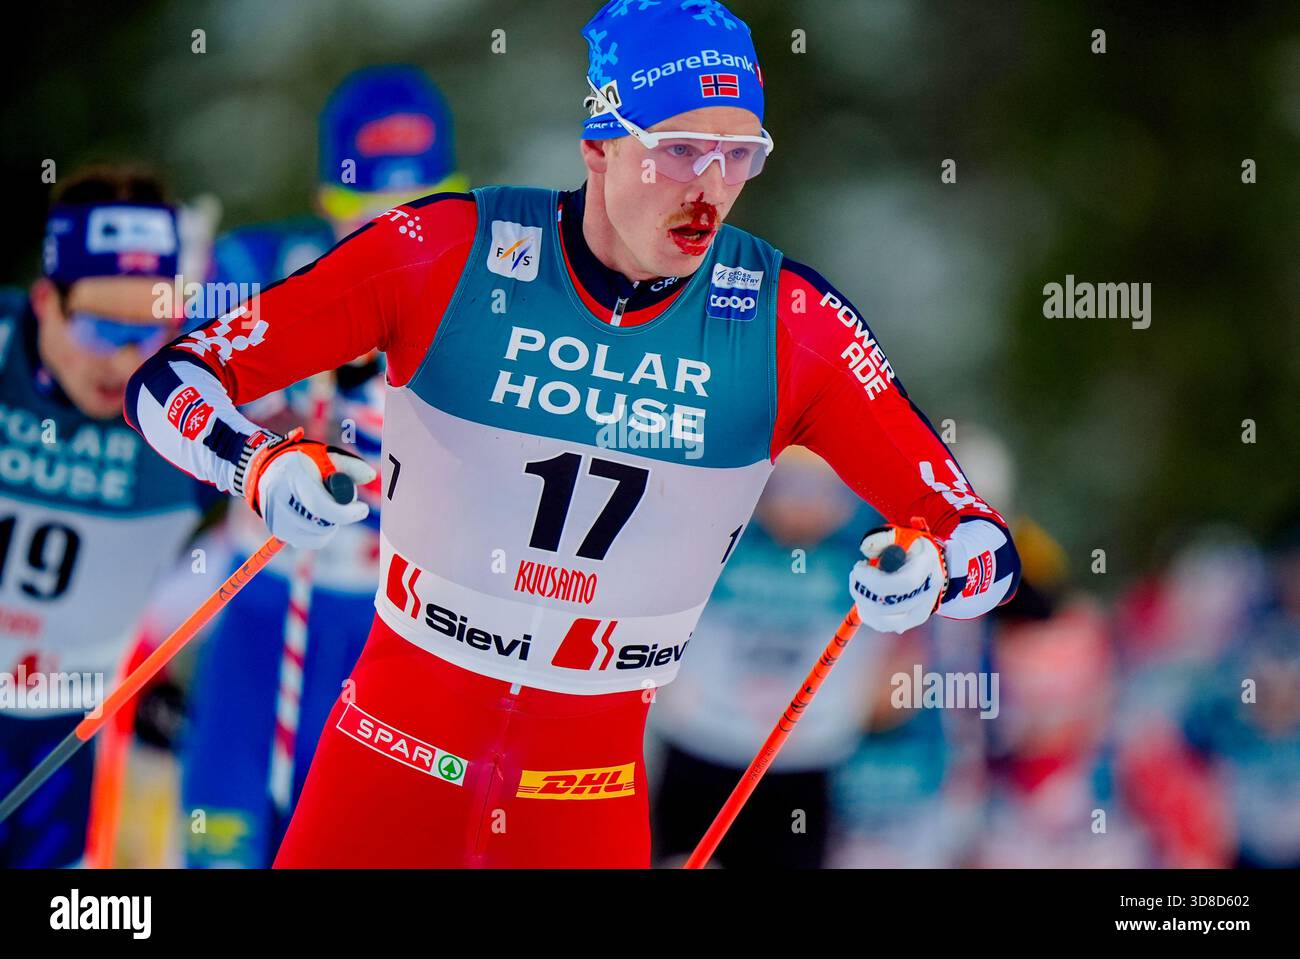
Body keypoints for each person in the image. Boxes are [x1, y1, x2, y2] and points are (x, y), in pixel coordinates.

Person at [125, 0, 1021, 867]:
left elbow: (982, 541)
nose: (710, 189)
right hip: (388, 763)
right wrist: (255, 464)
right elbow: (172, 380)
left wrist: (933, 570)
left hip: (583, 799)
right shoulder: (448, 251)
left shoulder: (790, 325)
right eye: (678, 151)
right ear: (599, 141)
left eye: (739, 155)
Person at [180, 65, 469, 868]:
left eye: (411, 212)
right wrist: (174, 291)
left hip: (395, 627)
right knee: (223, 834)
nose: (387, 235)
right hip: (263, 598)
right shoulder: (266, 262)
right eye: (363, 212)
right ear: (326, 198)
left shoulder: (483, 298)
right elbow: (171, 376)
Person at [0, 166, 202, 867]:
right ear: (45, 302)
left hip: (74, 736)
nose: (122, 359)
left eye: (146, 331)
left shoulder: (190, 394)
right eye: (98, 327)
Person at [650, 447, 879, 867]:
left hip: (803, 763)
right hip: (699, 748)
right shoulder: (720, 534)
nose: (799, 505)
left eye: (818, 491)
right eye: (786, 486)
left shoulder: (866, 551)